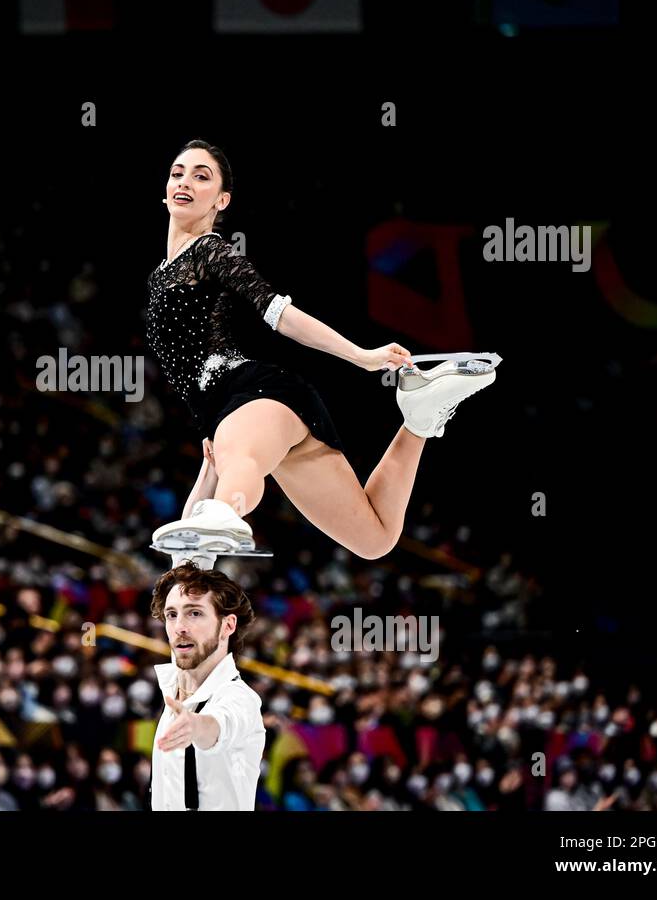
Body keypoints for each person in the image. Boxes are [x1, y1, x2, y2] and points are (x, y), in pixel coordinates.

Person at [147, 139, 498, 560]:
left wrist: (362, 356)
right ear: (166, 188)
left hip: (253, 395)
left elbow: (280, 314)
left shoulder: (210, 251)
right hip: (226, 416)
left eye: (201, 176)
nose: (185, 181)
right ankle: (419, 420)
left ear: (221, 201)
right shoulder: (159, 276)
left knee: (238, 464)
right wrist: (186, 550)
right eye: (178, 173)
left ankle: (225, 514)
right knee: (375, 539)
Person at [149, 561, 265, 810]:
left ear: (228, 626)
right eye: (172, 615)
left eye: (195, 613)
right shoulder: (176, 680)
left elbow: (221, 724)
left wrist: (195, 726)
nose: (179, 627)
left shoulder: (239, 698)